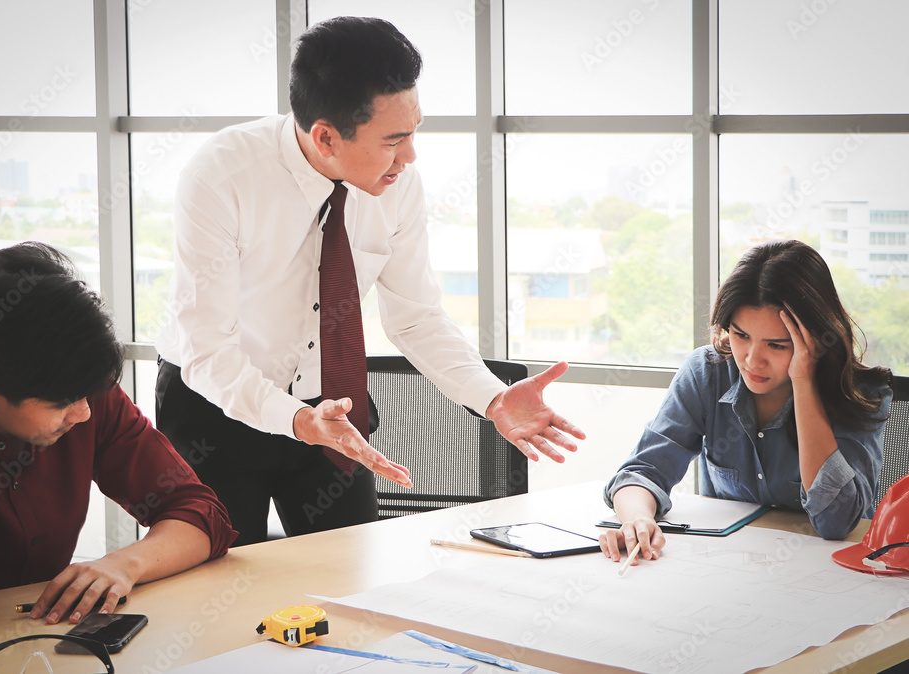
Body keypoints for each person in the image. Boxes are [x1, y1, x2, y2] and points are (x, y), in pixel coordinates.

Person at [155, 16, 585, 546]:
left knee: (349, 576)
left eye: (415, 131)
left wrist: (492, 399)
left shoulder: (397, 182)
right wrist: (294, 419)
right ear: (326, 136)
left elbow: (416, 316)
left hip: (333, 412)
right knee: (218, 589)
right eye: (394, 140)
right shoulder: (222, 175)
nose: (410, 156)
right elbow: (206, 349)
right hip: (215, 407)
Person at [0, 242, 236, 624]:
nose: (82, 413)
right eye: (62, 402)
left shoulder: (85, 392)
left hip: (44, 642)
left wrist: (125, 565)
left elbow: (200, 514)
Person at [600, 239, 892, 565]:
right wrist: (637, 519)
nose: (752, 360)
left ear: (816, 339)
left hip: (828, 576)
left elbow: (837, 523)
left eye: (777, 345)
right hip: (728, 571)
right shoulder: (707, 373)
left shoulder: (862, 392)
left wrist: (804, 383)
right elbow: (643, 471)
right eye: (740, 336)